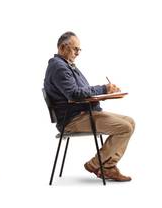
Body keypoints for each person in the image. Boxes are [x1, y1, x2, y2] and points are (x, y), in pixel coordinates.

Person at [43, 31, 135, 182]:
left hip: (84, 113)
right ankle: (96, 164)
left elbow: (83, 91)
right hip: (73, 119)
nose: (78, 53)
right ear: (62, 48)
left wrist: (104, 94)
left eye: (79, 49)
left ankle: (108, 167)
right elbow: (74, 94)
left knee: (130, 122)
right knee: (125, 127)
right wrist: (103, 89)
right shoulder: (59, 67)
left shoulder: (68, 66)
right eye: (75, 49)